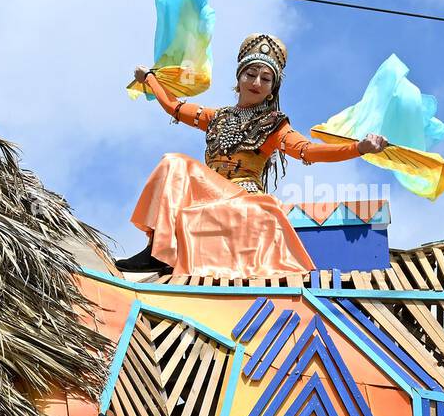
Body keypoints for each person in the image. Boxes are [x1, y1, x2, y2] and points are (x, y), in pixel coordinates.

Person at [120, 33, 389, 277]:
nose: (257, 82)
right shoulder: (217, 117)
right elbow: (174, 107)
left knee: (177, 163)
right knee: (172, 162)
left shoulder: (274, 124)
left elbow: (308, 151)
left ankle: (161, 251)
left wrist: (358, 148)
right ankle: (158, 249)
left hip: (242, 194)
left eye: (266, 78)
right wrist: (150, 78)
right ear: (238, 78)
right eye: (250, 74)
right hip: (207, 190)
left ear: (273, 88)